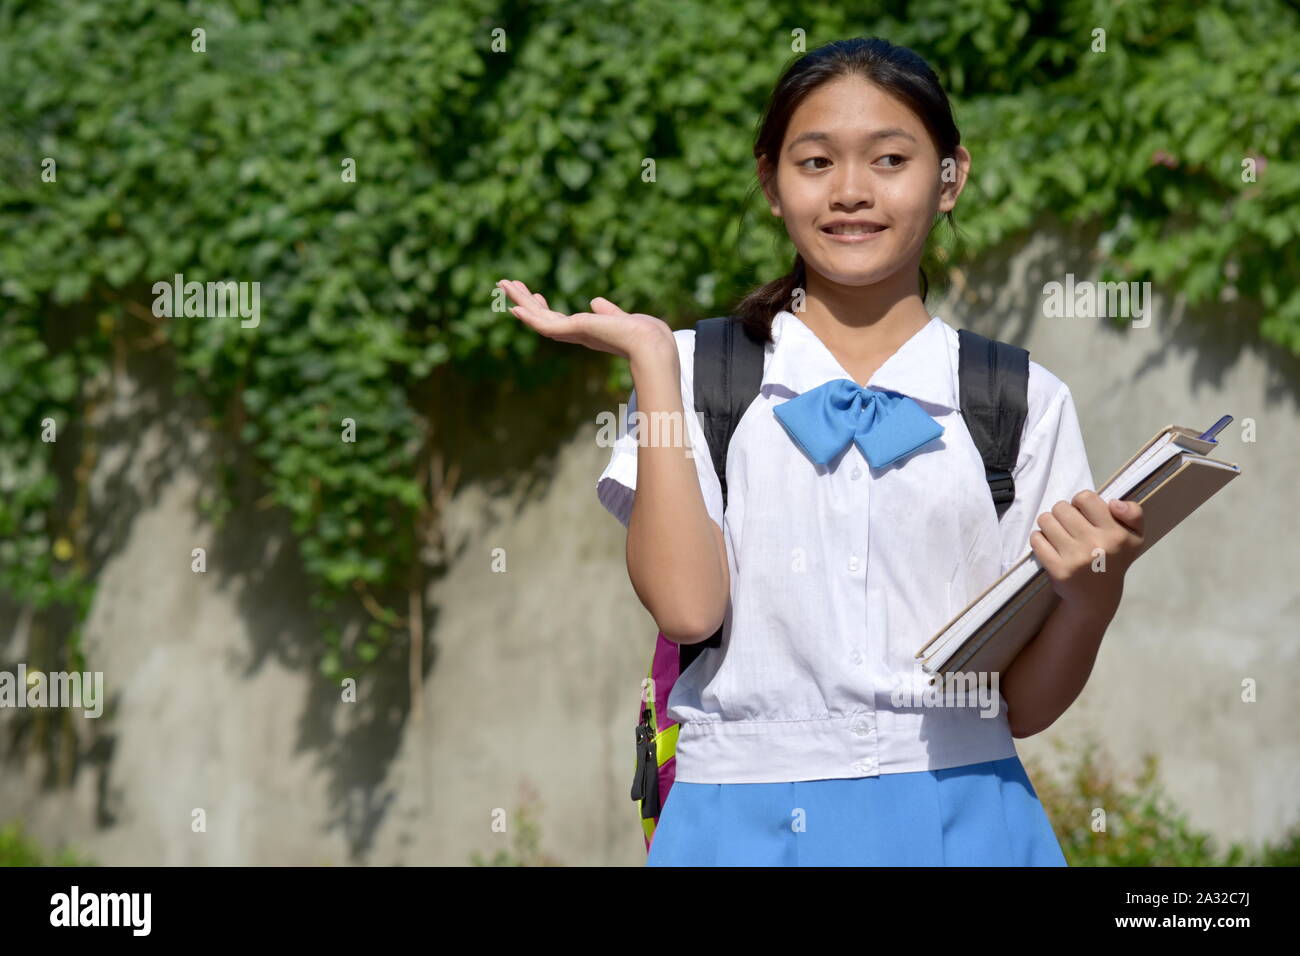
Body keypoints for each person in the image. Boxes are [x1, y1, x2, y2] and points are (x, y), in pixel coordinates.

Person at [498, 36, 1145, 866]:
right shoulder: (697, 375)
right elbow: (688, 610)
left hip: (965, 817)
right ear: (771, 183)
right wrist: (654, 362)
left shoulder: (1021, 399)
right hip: (736, 823)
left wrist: (1093, 597)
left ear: (951, 179)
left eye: (889, 159)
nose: (850, 193)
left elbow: (1018, 707)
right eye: (815, 163)